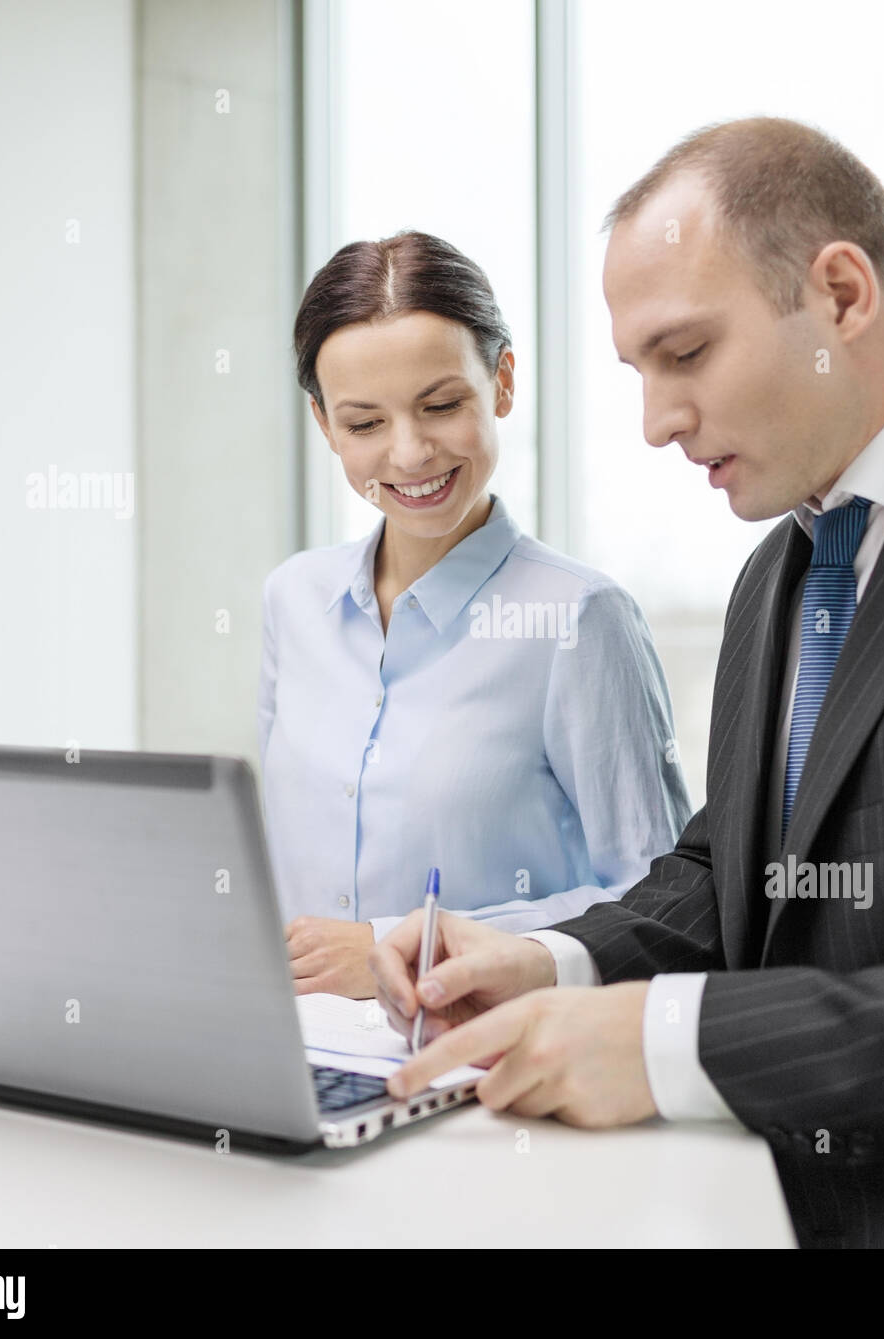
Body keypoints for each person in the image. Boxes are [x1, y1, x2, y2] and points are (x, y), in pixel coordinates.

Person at [370, 119, 884, 1248]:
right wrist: (559, 960)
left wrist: (668, 1040)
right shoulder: (777, 574)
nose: (656, 422)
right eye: (638, 373)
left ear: (840, 294)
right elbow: (738, 869)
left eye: (685, 354)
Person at [259, 230, 692, 1000]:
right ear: (324, 425)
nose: (411, 452)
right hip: (293, 1054)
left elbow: (663, 904)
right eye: (364, 424)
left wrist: (404, 947)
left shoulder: (581, 619)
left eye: (441, 405)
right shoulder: (294, 600)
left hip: (485, 1063)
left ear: (501, 382)